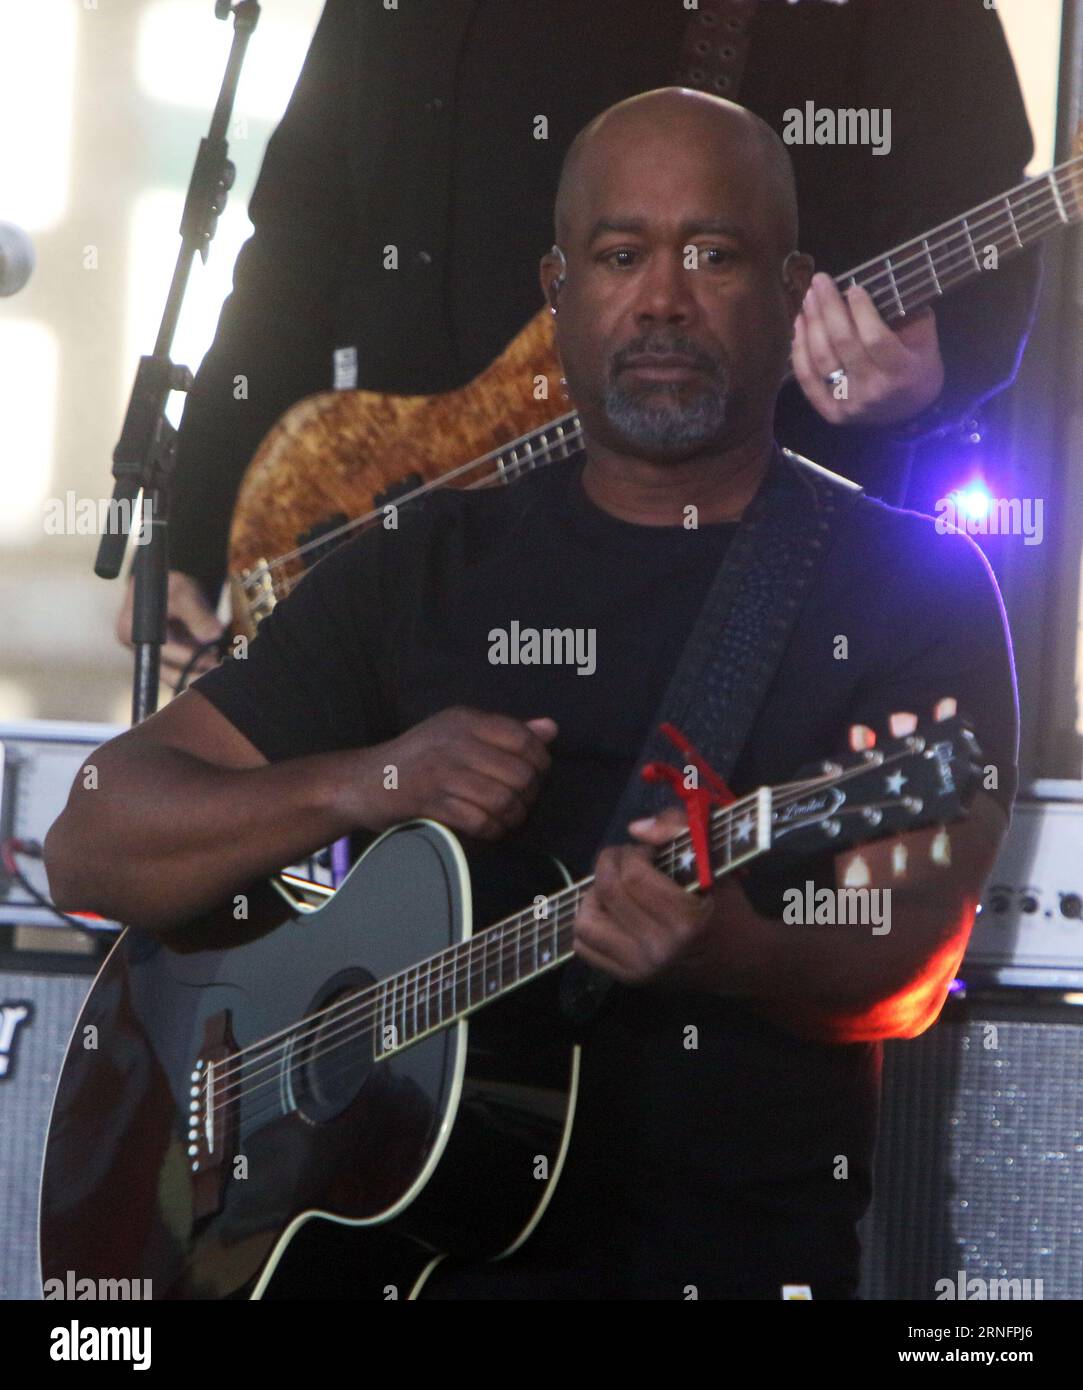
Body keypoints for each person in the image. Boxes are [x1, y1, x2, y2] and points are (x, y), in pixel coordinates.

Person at [49, 88, 1018, 1299]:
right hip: (383, 1268)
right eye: (621, 255)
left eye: (713, 253)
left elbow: (910, 954)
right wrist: (376, 774)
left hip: (719, 1260)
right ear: (557, 292)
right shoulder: (419, 563)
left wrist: (733, 951)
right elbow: (94, 836)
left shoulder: (909, 584)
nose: (662, 297)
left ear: (791, 288)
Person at [116, 0, 1040, 686]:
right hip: (396, 572)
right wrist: (193, 526)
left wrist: (931, 372)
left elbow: (985, 202)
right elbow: (298, 246)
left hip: (704, 577)